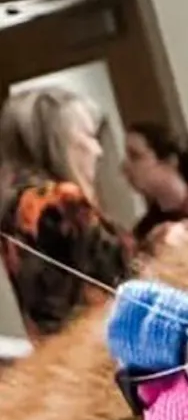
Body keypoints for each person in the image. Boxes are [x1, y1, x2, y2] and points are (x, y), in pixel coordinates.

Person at [0, 88, 134, 339]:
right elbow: (123, 278)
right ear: (57, 142)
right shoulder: (60, 199)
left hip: (57, 352)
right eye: (88, 136)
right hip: (98, 345)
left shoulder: (14, 209)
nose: (98, 151)